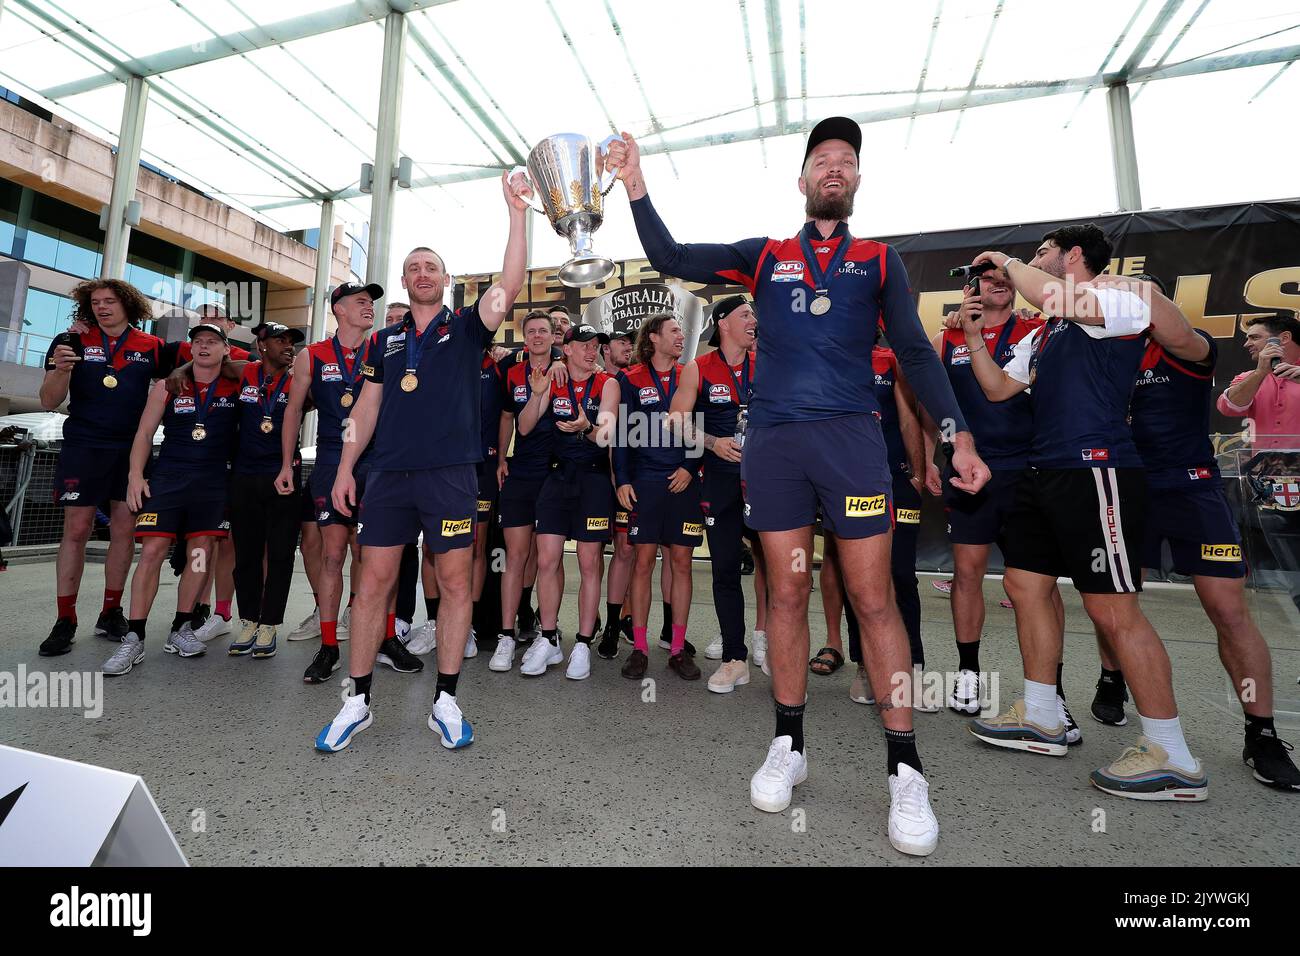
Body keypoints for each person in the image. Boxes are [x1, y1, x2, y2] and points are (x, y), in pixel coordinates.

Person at [608, 116, 990, 856]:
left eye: (847, 160)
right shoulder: (765, 257)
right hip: (776, 446)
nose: (836, 167)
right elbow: (672, 255)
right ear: (803, 178)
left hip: (851, 442)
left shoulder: (879, 261)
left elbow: (913, 349)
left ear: (857, 180)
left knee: (874, 600)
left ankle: (906, 767)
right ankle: (789, 742)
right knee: (784, 593)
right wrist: (636, 185)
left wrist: (956, 431)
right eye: (823, 159)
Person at [960, 225, 1206, 801]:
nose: (1030, 265)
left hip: (1097, 469)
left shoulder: (1122, 299)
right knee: (1023, 584)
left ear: (1071, 256)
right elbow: (998, 389)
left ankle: (1172, 754)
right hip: (1043, 471)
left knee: (1112, 610)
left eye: (1041, 253)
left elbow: (1053, 295)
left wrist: (1001, 258)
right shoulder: (1046, 334)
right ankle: (1042, 714)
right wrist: (974, 339)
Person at [315, 171, 528, 753]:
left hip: (451, 475)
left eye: (431, 265)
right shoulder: (384, 343)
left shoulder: (466, 330)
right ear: (406, 283)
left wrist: (516, 213)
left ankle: (447, 698)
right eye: (413, 268)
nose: (422, 273)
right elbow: (365, 406)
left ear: (446, 279)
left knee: (455, 583)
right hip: (385, 477)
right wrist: (342, 468)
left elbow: (509, 282)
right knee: (372, 585)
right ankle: (356, 699)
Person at [1093, 277, 1299, 792]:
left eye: (1137, 297)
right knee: (1118, 601)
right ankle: (1111, 679)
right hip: (1128, 488)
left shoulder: (1190, 344)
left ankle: (1262, 733)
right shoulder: (1109, 352)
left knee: (1229, 611)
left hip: (1193, 490)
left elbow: (1226, 399)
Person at [277, 283, 423, 683]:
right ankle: (328, 646)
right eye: (360, 302)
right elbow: (292, 411)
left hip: (379, 460)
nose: (369, 308)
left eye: (371, 303)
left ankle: (387, 637)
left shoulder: (385, 347)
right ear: (338, 309)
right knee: (332, 554)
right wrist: (286, 464)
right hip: (330, 459)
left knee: (377, 555)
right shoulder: (313, 355)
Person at [923, 267, 1048, 715]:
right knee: (967, 572)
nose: (999, 281)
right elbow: (927, 402)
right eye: (988, 277)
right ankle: (969, 673)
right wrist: (926, 458)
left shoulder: (1038, 331)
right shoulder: (946, 339)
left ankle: (1049, 694)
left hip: (1027, 470)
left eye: (1005, 276)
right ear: (968, 290)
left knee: (1035, 585)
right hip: (966, 471)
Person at [101, 324, 239, 675]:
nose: (203, 347)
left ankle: (181, 627)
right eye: (198, 342)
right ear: (190, 349)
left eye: (212, 342)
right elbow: (145, 433)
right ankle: (134, 637)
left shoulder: (237, 385)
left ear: (226, 350)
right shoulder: (169, 384)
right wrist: (135, 476)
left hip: (211, 483)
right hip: (169, 480)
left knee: (198, 554)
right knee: (151, 553)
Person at [38, 279, 164, 657]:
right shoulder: (71, 340)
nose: (102, 308)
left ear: (128, 304)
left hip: (130, 451)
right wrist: (60, 370)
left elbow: (196, 369)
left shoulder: (152, 346)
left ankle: (111, 611)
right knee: (76, 528)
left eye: (110, 301)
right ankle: (65, 619)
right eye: (95, 302)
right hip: (84, 445)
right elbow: (47, 400)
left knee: (125, 530)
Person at [816, 346, 935, 710]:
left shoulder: (889, 358)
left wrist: (915, 474)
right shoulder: (829, 356)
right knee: (861, 579)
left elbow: (908, 416)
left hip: (897, 480)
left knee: (901, 574)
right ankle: (866, 666)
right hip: (849, 484)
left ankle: (912, 667)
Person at [669, 295, 765, 693]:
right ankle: (734, 657)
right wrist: (712, 442)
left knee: (779, 572)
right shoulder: (699, 368)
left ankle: (771, 644)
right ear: (723, 323)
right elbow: (675, 421)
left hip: (770, 480)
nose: (753, 322)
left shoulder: (771, 361)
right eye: (746, 315)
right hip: (722, 480)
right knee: (725, 570)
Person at [518, 325, 620, 678]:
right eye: (585, 346)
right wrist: (536, 395)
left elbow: (605, 435)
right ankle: (548, 639)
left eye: (596, 347)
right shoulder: (552, 379)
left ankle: (582, 644)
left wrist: (585, 427)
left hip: (593, 481)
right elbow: (525, 427)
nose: (592, 352)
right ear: (569, 349)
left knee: (590, 562)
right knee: (546, 559)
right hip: (557, 477)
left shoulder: (608, 384)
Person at [614, 314, 703, 682]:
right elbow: (620, 431)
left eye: (682, 330)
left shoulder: (691, 374)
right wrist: (621, 479)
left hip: (683, 481)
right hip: (646, 482)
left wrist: (690, 466)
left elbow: (703, 425)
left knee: (681, 562)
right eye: (674, 331)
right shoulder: (629, 378)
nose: (681, 336)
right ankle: (639, 648)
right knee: (643, 562)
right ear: (653, 337)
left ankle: (678, 649)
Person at [489, 310, 567, 673]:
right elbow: (508, 418)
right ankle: (506, 636)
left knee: (549, 558)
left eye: (543, 331)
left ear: (554, 337)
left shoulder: (569, 369)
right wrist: (503, 457)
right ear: (525, 338)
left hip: (558, 474)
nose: (537, 336)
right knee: (514, 556)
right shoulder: (511, 371)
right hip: (521, 471)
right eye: (531, 331)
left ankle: (546, 634)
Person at [225, 322, 304, 658]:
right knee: (246, 553)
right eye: (280, 340)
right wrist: (183, 368)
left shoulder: (301, 379)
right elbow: (211, 363)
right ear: (262, 345)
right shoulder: (244, 372)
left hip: (284, 475)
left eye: (291, 342)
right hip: (244, 475)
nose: (288, 346)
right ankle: (248, 619)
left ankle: (270, 624)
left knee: (282, 552)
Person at [1216, 312, 1300, 614]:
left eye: (1255, 337)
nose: (1247, 344)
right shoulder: (1247, 378)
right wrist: (1262, 371)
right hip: (1268, 486)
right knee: (1290, 562)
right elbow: (1229, 406)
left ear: (1283, 339)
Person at [597, 330, 638, 655]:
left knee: (627, 548)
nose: (628, 347)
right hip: (594, 477)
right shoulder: (594, 379)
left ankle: (622, 617)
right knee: (592, 550)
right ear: (604, 350)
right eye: (622, 342)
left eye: (632, 343)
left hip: (627, 477)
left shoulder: (635, 380)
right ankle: (592, 618)